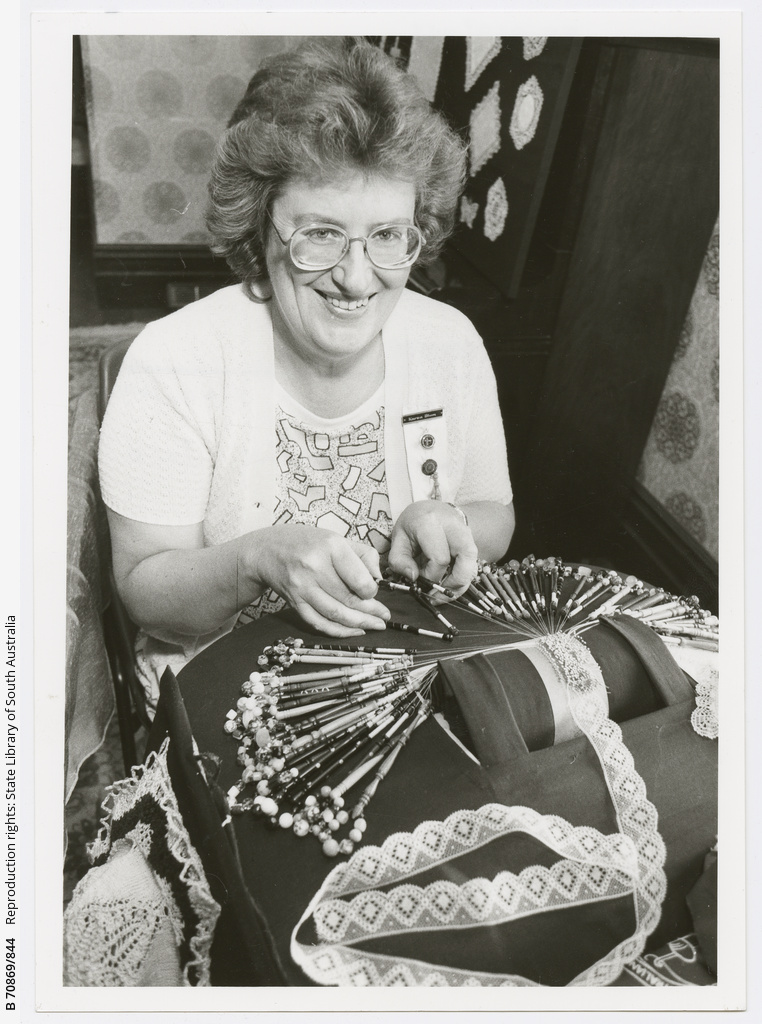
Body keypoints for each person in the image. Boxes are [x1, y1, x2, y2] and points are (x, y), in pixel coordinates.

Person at [98, 38, 514, 708]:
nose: (357, 278)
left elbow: (495, 515)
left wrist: (448, 519)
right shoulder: (174, 361)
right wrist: (253, 559)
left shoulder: (450, 342)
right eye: (319, 233)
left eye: (387, 236)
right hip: (233, 689)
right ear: (259, 231)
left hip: (410, 667)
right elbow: (149, 594)